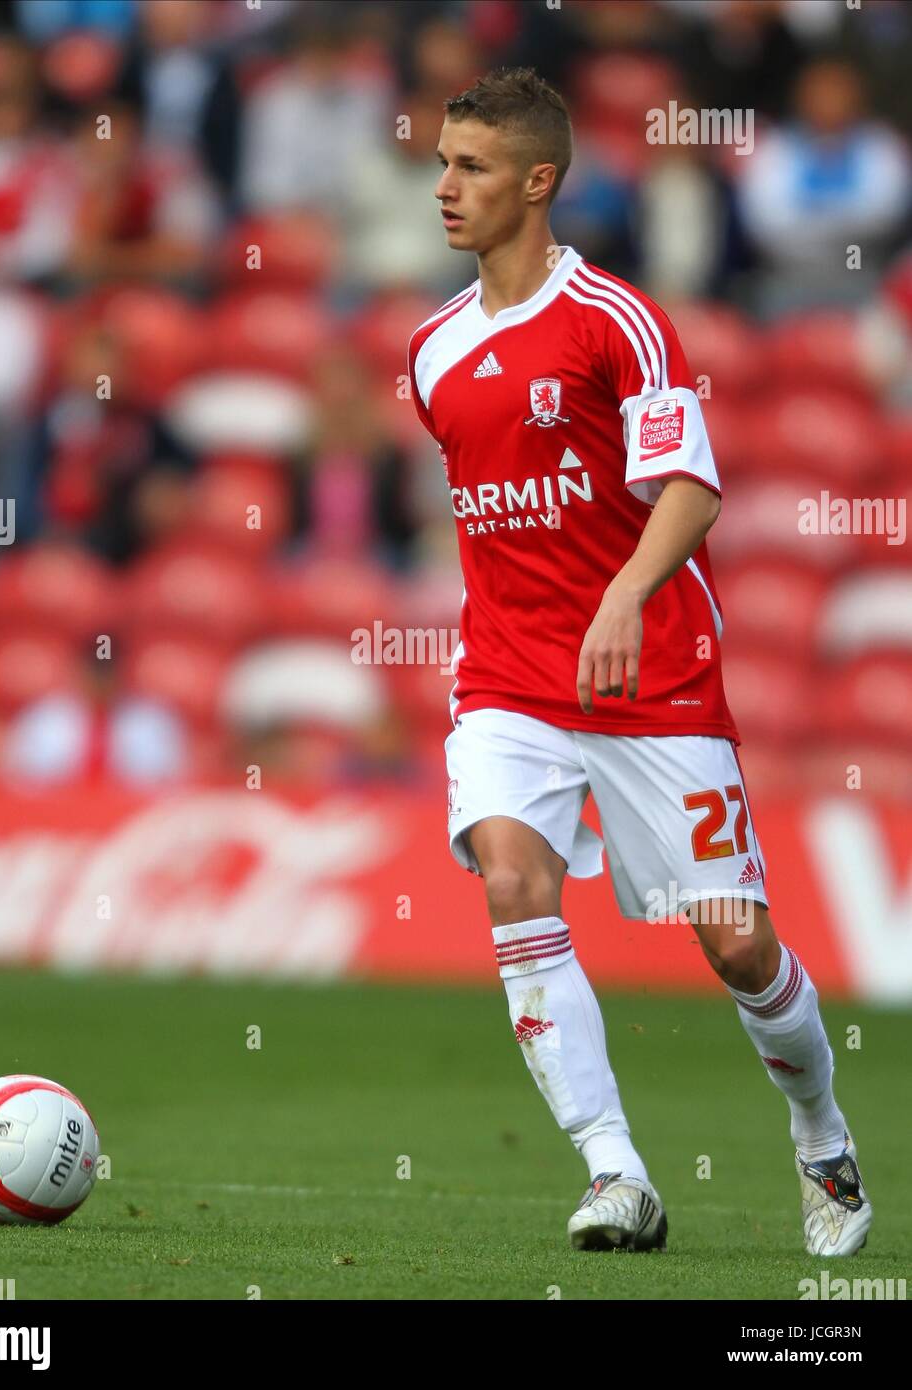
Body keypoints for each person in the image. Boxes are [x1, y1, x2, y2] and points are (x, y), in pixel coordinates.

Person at [407, 67, 871, 1257]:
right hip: (508, 677)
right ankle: (616, 1173)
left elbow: (690, 485)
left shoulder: (613, 319)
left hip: (650, 675)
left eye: (470, 167)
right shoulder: (430, 353)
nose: (444, 186)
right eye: (442, 162)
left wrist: (622, 592)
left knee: (734, 942)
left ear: (538, 181)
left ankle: (819, 1137)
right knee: (511, 880)